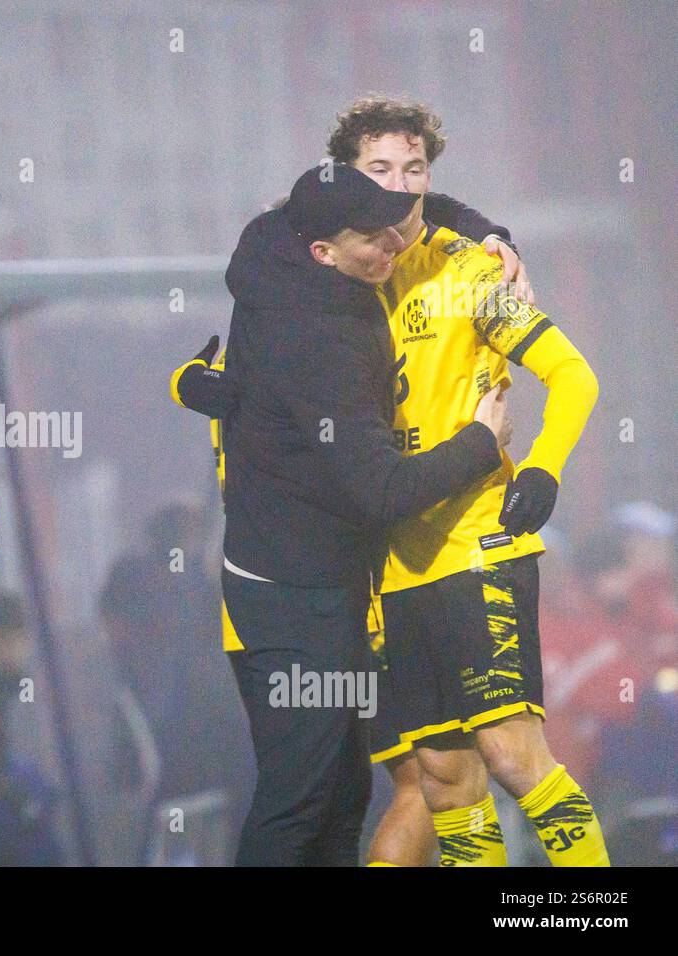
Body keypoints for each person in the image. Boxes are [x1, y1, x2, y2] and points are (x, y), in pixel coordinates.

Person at [172, 163, 512, 866]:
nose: (392, 243)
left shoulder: (275, 242)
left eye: (389, 222)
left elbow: (420, 205)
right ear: (323, 254)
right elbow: (380, 492)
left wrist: (492, 234)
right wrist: (481, 443)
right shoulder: (322, 343)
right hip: (295, 596)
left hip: (310, 579)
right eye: (371, 238)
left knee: (344, 793)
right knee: (303, 797)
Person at [331, 97, 607, 868]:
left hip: (476, 543)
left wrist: (545, 466)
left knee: (513, 755)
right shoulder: (339, 283)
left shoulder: (469, 269)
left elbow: (574, 376)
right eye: (379, 169)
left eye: (413, 169)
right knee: (447, 782)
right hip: (391, 568)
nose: (399, 185)